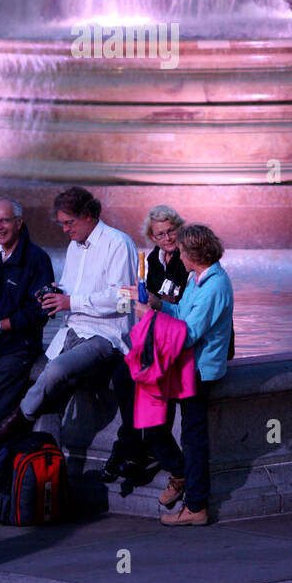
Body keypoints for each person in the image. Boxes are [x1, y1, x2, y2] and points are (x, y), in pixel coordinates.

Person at [0, 187, 137, 446]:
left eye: (69, 223)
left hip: (106, 338)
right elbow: (71, 290)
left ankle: (20, 418)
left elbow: (123, 301)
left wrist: (71, 301)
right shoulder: (73, 247)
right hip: (71, 332)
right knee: (49, 401)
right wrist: (54, 294)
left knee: (56, 370)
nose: (65, 230)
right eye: (62, 223)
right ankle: (46, 471)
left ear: (89, 215)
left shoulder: (118, 243)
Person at [128, 223, 234, 527]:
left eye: (182, 251)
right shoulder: (198, 277)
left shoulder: (214, 285)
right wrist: (158, 306)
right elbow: (182, 316)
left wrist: (150, 319)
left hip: (200, 371)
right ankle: (183, 481)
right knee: (167, 426)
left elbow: (188, 334)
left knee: (194, 437)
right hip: (186, 366)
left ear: (193, 254)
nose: (177, 255)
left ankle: (196, 505)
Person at [104, 206, 188, 484]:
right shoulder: (152, 259)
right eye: (159, 234)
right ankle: (132, 448)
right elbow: (149, 300)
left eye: (170, 231)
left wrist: (154, 302)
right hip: (158, 337)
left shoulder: (187, 257)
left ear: (179, 228)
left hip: (177, 340)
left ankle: (138, 451)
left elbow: (180, 304)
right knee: (122, 375)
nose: (166, 238)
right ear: (152, 236)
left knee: (140, 382)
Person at [0, 197, 54, 464]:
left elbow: (40, 312)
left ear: (19, 222)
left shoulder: (37, 259)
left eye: (4, 220)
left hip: (18, 347)